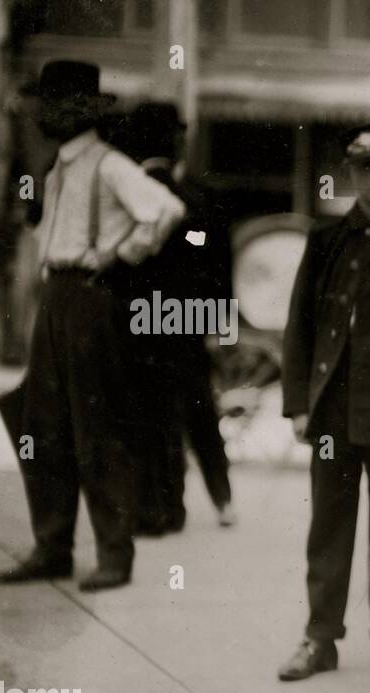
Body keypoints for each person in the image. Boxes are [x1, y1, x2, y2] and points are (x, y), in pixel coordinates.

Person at [0, 60, 186, 592]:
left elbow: (165, 210)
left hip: (86, 297)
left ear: (78, 109)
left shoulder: (108, 164)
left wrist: (117, 255)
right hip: (57, 295)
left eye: (52, 104)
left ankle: (113, 554)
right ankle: (52, 546)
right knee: (41, 424)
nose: (42, 113)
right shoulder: (56, 167)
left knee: (94, 427)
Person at [278, 123, 370, 681]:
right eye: (365, 166)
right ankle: (319, 639)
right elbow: (300, 325)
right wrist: (297, 403)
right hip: (334, 407)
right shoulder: (325, 240)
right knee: (329, 527)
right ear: (351, 173)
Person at [111, 101, 236, 535]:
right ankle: (220, 499)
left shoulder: (127, 197)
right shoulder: (198, 201)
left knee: (145, 413)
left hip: (137, 322)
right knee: (198, 411)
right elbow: (216, 260)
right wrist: (219, 326)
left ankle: (155, 505)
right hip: (185, 321)